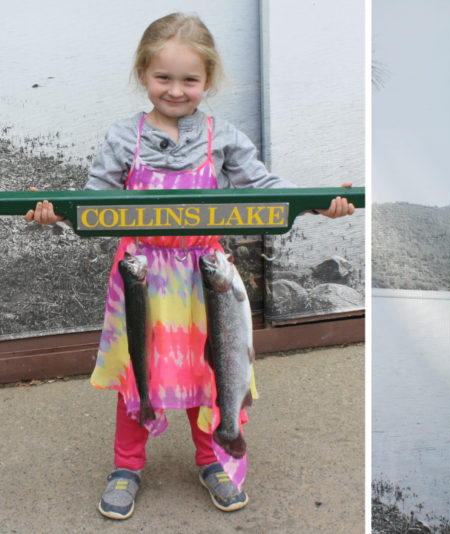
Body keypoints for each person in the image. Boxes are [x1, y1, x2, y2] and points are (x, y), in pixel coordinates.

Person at [25, 12, 355, 520]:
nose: (176, 90)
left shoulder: (223, 137)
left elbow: (266, 189)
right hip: (141, 274)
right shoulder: (122, 137)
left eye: (190, 80)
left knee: (213, 368)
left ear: (208, 80)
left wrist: (315, 203)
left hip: (208, 277)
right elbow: (90, 204)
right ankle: (126, 466)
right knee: (140, 370)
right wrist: (52, 211)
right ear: (142, 75)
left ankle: (213, 459)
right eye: (163, 78)